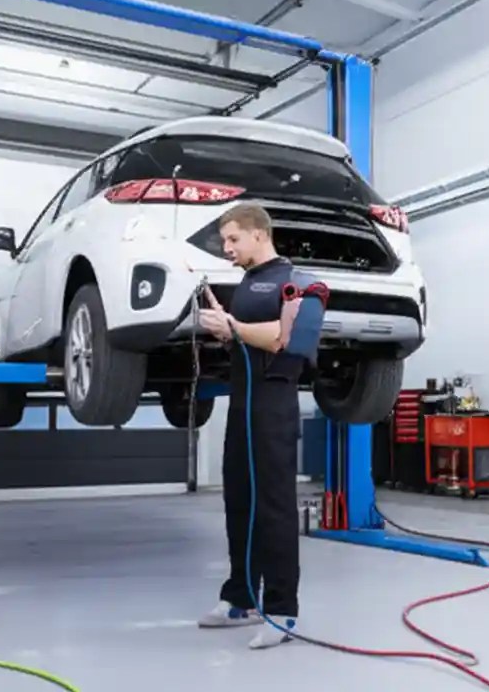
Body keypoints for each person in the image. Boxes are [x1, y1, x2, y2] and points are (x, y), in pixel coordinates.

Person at [195, 202, 315, 650]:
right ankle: (241, 598)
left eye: (233, 239)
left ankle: (283, 610)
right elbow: (247, 333)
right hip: (242, 407)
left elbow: (286, 338)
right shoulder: (246, 282)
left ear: (259, 234)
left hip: (274, 408)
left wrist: (234, 326)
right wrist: (229, 330)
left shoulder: (293, 282)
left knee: (275, 511)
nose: (227, 248)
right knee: (240, 503)